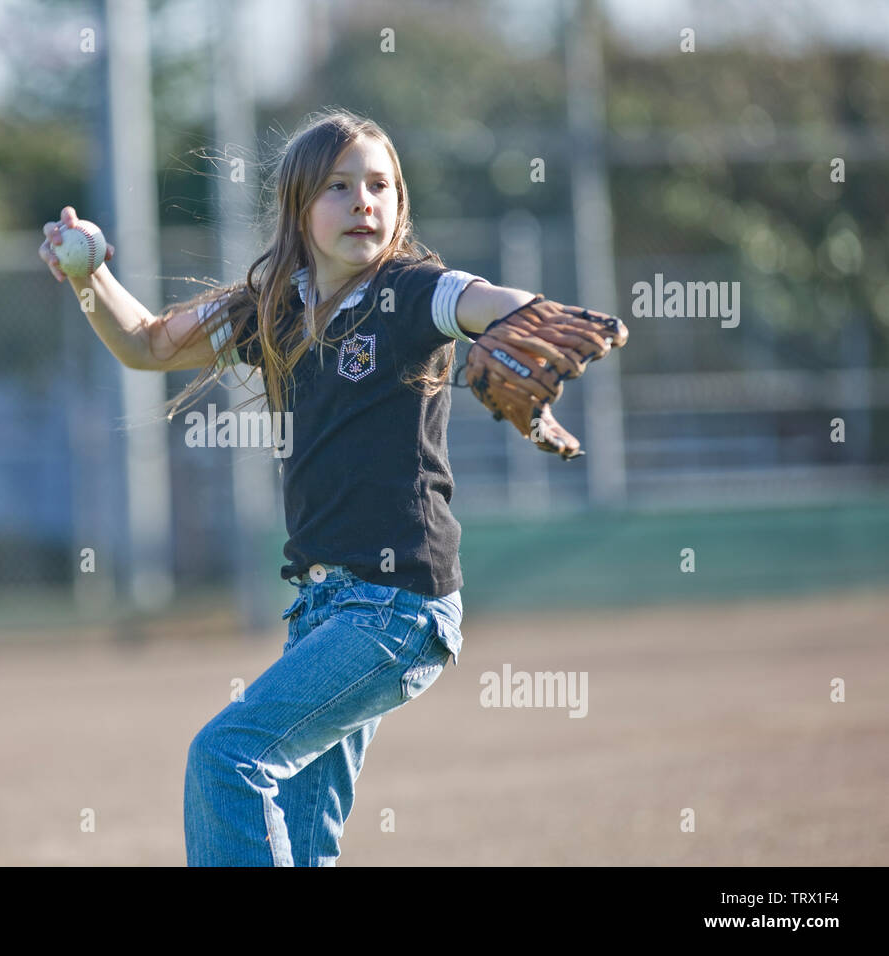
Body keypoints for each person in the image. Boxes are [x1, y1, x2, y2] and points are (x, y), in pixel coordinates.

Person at [39, 109, 544, 866]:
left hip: (396, 608)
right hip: (322, 612)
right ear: (299, 210)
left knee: (226, 756)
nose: (364, 202)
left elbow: (491, 303)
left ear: (400, 204)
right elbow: (146, 344)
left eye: (380, 185)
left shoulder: (414, 293)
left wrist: (527, 323)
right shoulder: (276, 308)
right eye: (339, 188)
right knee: (303, 844)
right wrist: (90, 278)